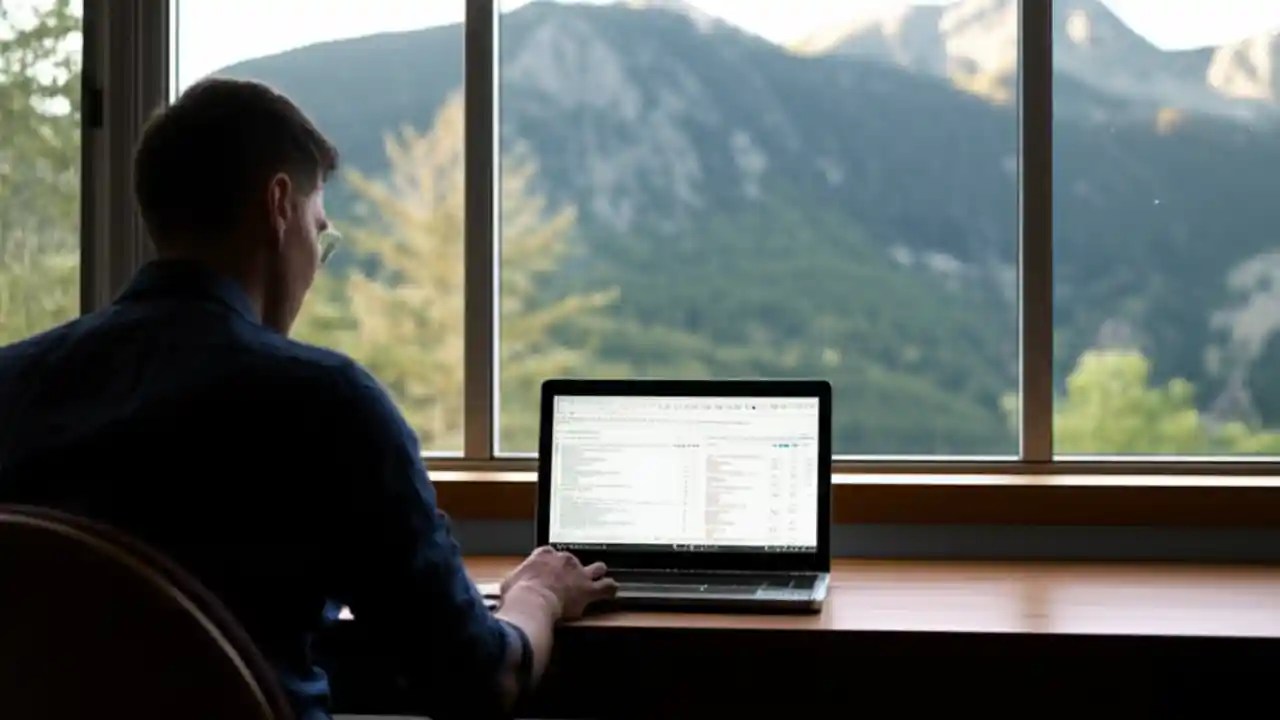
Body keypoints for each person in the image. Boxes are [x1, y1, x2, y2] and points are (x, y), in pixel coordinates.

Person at [0, 77, 616, 719]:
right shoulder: (325, 404)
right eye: (319, 232)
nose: (314, 263)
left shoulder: (9, 383)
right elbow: (477, 683)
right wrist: (539, 596)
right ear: (279, 206)